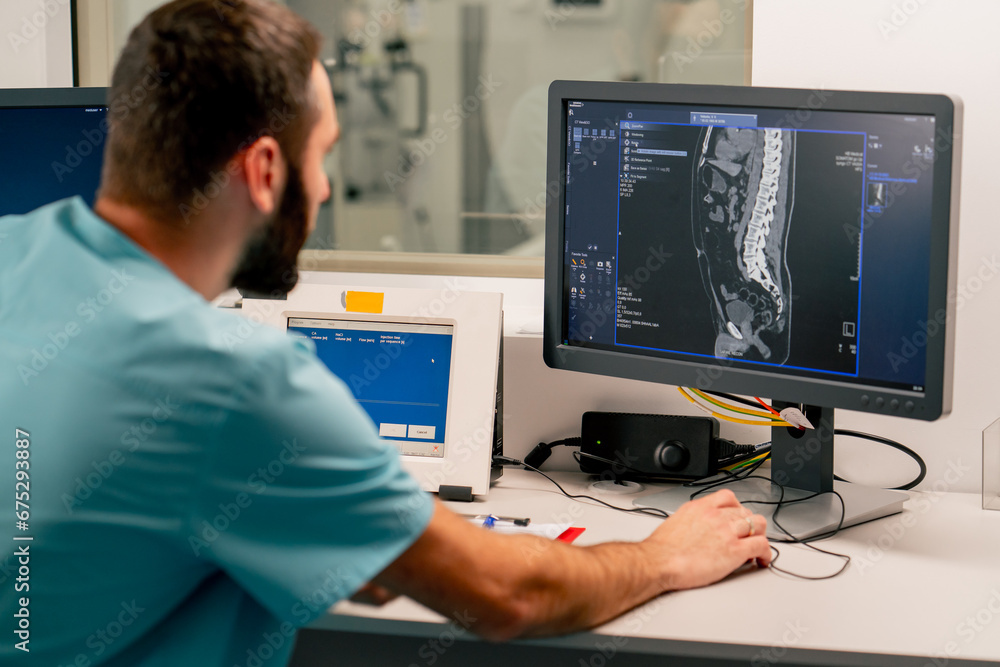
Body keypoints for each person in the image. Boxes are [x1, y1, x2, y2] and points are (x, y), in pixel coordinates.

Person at [0, 1, 771, 665]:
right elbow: (509, 595)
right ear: (265, 170)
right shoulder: (229, 380)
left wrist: (362, 532)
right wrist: (660, 556)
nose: (329, 186)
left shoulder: (14, 251)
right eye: (322, 155)